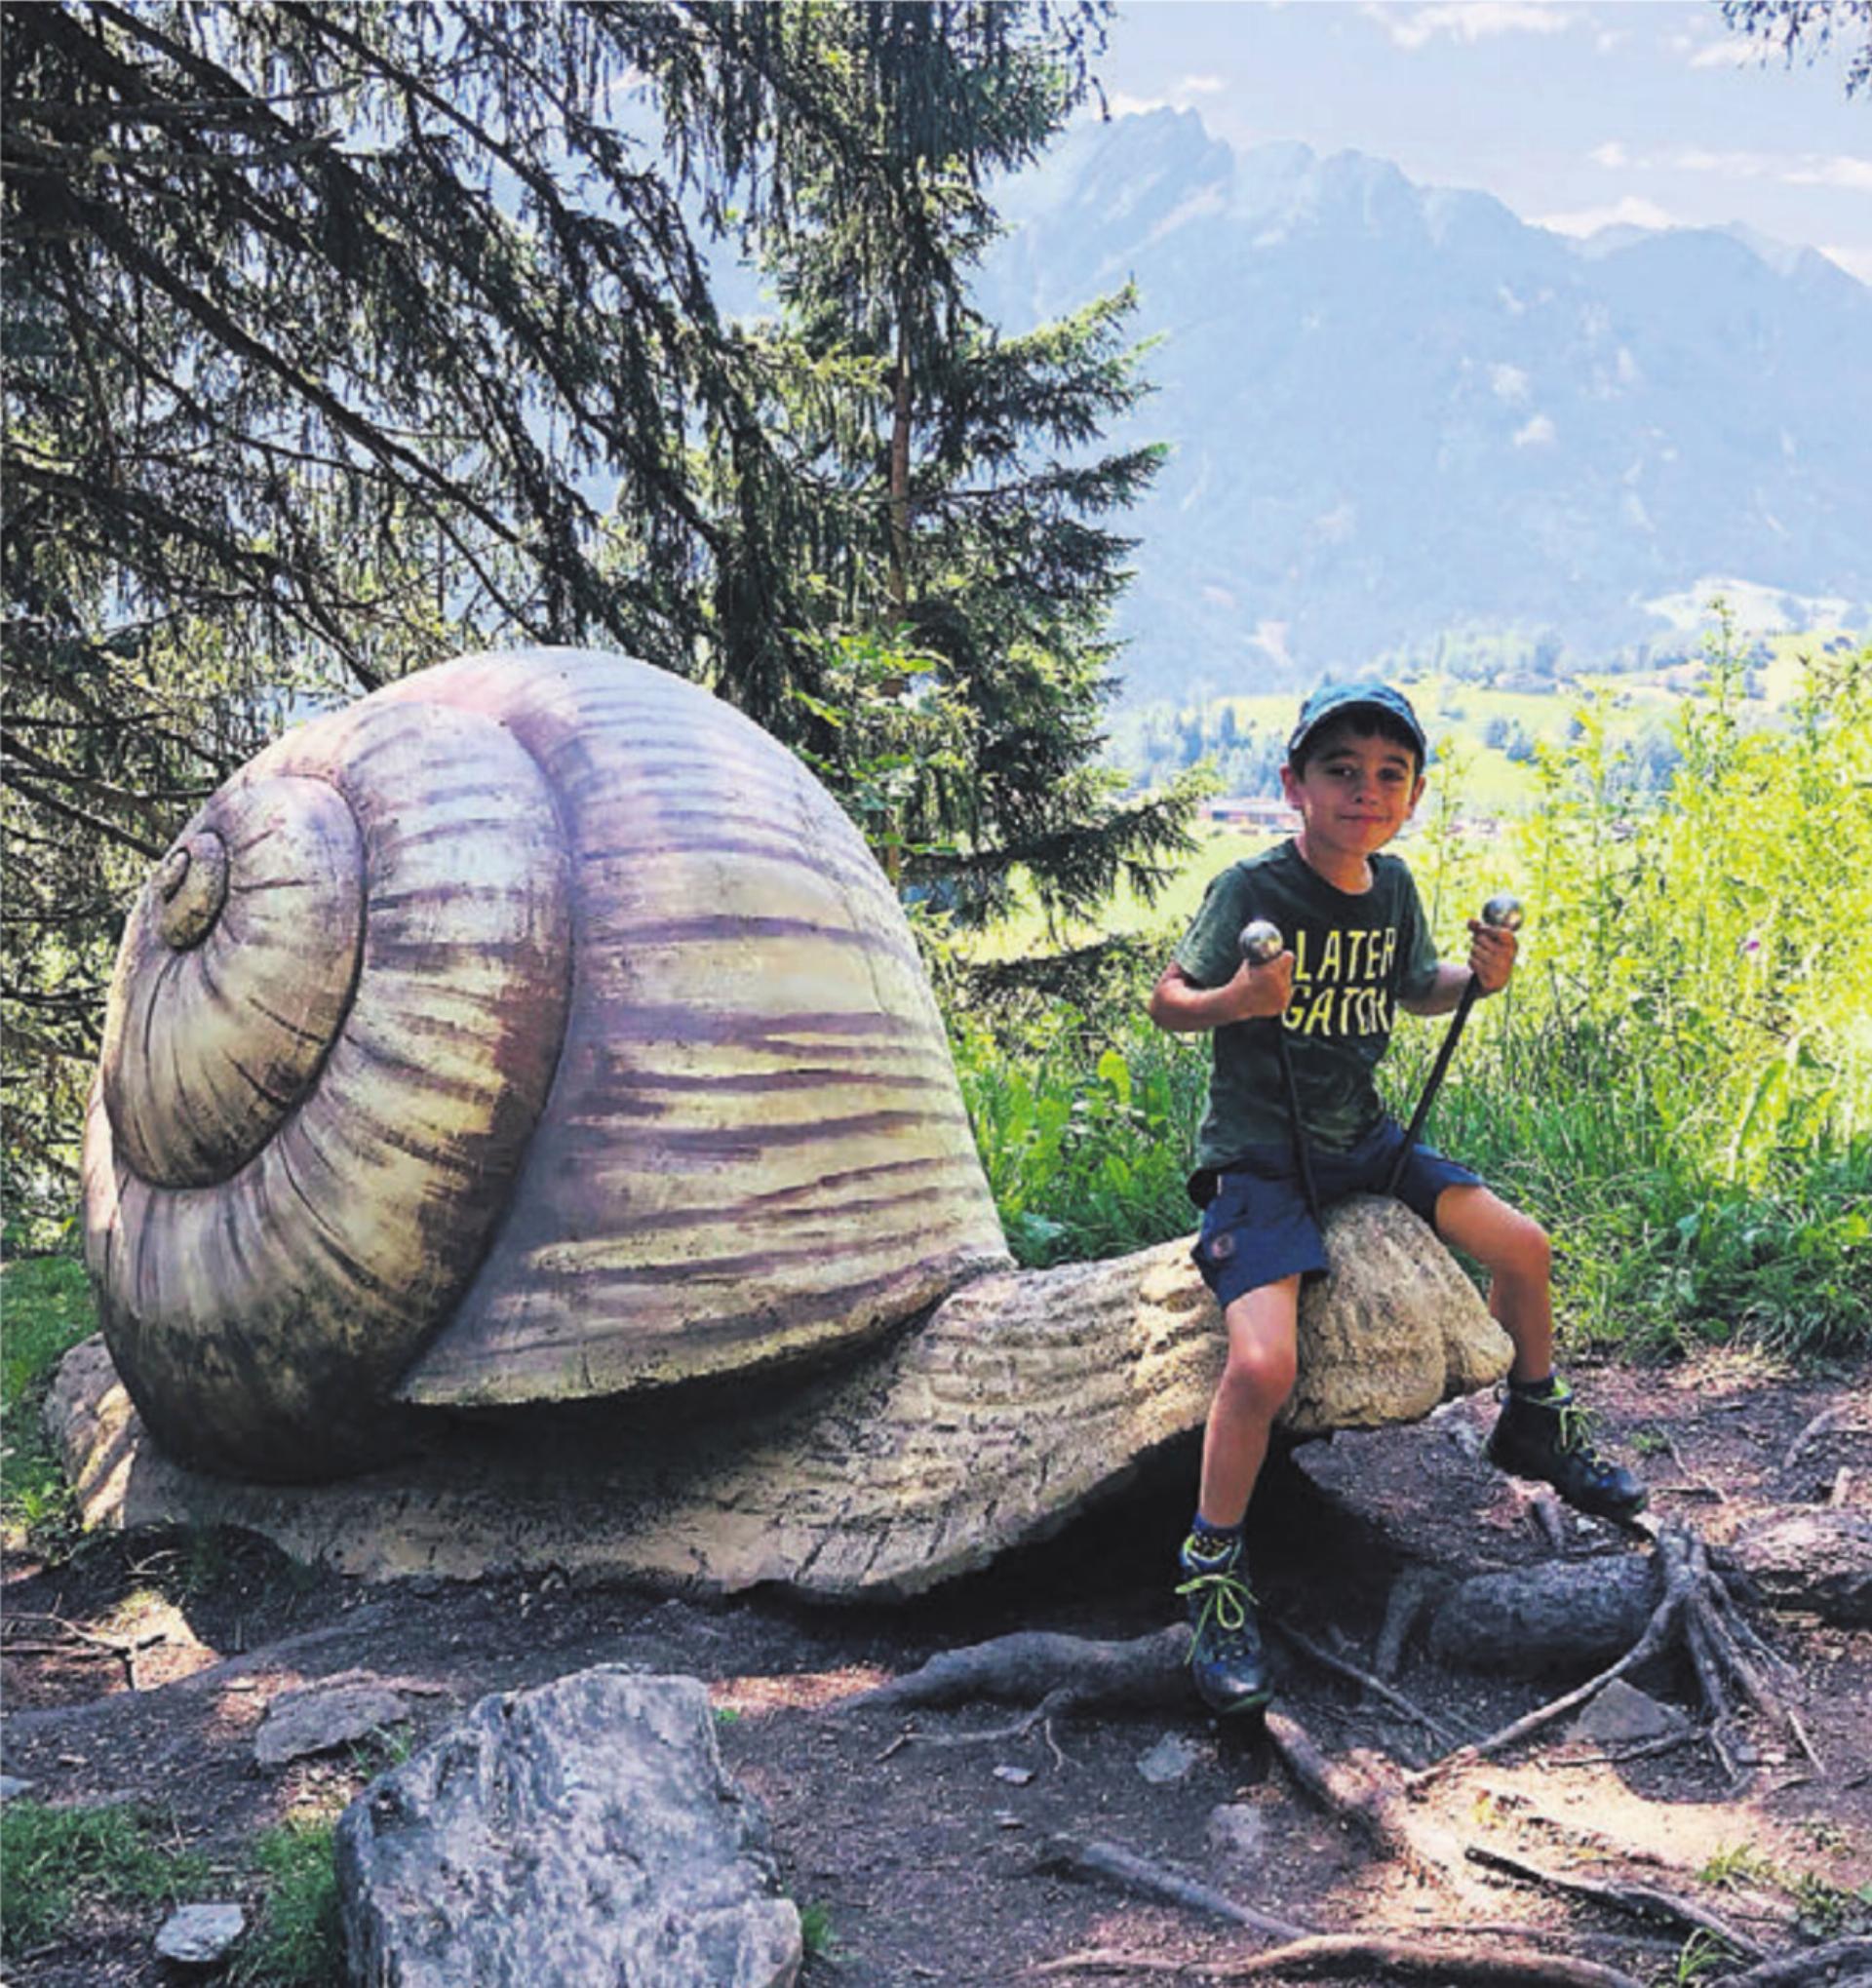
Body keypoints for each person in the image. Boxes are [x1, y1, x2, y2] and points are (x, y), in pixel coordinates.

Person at [1147, 682, 1646, 1718]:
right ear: (1294, 785)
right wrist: (1239, 999)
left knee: (1524, 1246)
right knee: (1262, 1360)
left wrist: (1481, 979)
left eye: (1388, 775)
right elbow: (1169, 1001)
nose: (1364, 791)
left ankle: (1534, 1422)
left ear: (1413, 796)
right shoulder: (1252, 887)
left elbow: (1415, 985)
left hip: (1366, 1140)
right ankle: (1212, 1566)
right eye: (1340, 770)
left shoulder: (1396, 887)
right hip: (1262, 1157)